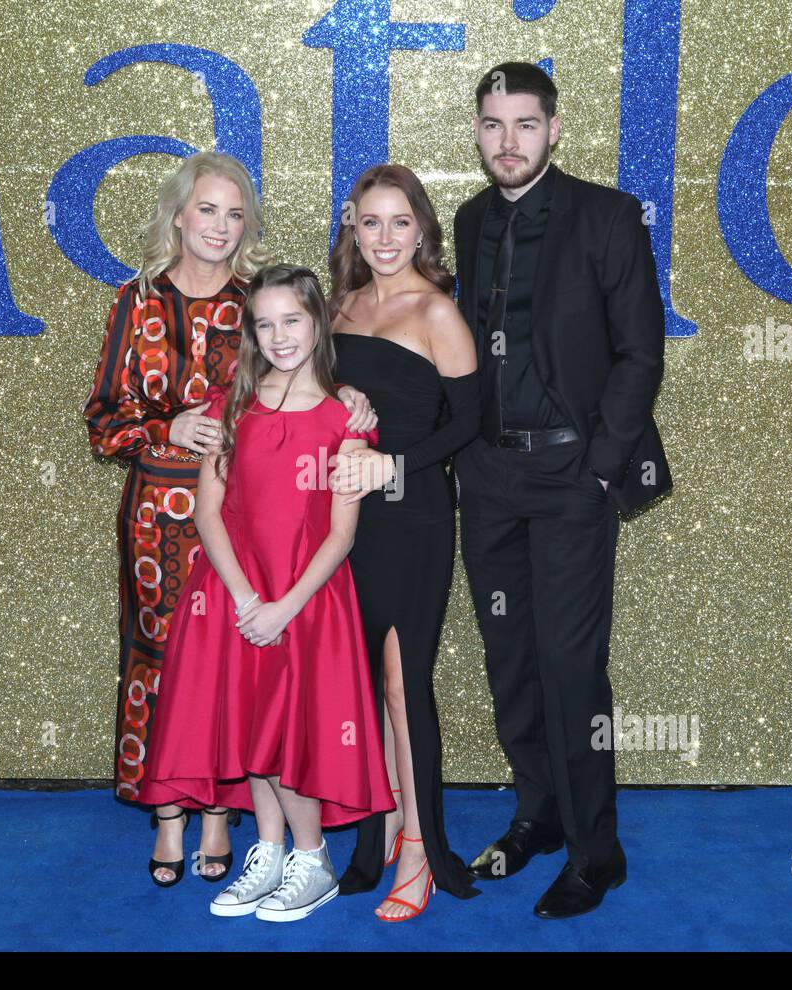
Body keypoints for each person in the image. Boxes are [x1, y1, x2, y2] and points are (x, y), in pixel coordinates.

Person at [82, 153, 376, 887]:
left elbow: (305, 377)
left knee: (239, 674)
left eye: (235, 213)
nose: (219, 226)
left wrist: (359, 404)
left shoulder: (256, 300)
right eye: (206, 210)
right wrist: (164, 431)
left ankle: (223, 817)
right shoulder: (135, 300)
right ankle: (170, 816)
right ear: (178, 215)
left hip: (251, 520)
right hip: (162, 516)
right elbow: (101, 421)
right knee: (162, 663)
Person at [452, 62, 672, 918]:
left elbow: (639, 355)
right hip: (489, 473)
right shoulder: (470, 220)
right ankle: (538, 814)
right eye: (493, 125)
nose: (508, 142)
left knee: (571, 668)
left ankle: (596, 851)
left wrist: (598, 467)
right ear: (477, 132)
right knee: (511, 661)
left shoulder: (608, 216)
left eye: (525, 125)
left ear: (554, 130)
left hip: (572, 476)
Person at [136, 264, 396, 922]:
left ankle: (314, 860)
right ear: (252, 332)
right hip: (232, 593)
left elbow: (340, 536)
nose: (280, 336)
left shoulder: (345, 418)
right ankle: (272, 849)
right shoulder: (235, 403)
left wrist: (283, 606)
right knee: (251, 722)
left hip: (306, 600)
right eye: (265, 324)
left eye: (293, 320)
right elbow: (208, 511)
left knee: (292, 729)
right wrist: (244, 598)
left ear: (317, 322)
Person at [325, 164, 483, 920]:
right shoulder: (339, 308)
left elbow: (469, 422)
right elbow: (305, 398)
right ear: (352, 228)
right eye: (370, 223)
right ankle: (380, 825)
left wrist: (393, 459)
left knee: (400, 684)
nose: (385, 238)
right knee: (359, 682)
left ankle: (420, 851)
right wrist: (338, 399)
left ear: (421, 228)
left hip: (413, 512)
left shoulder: (437, 312)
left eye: (399, 223)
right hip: (344, 520)